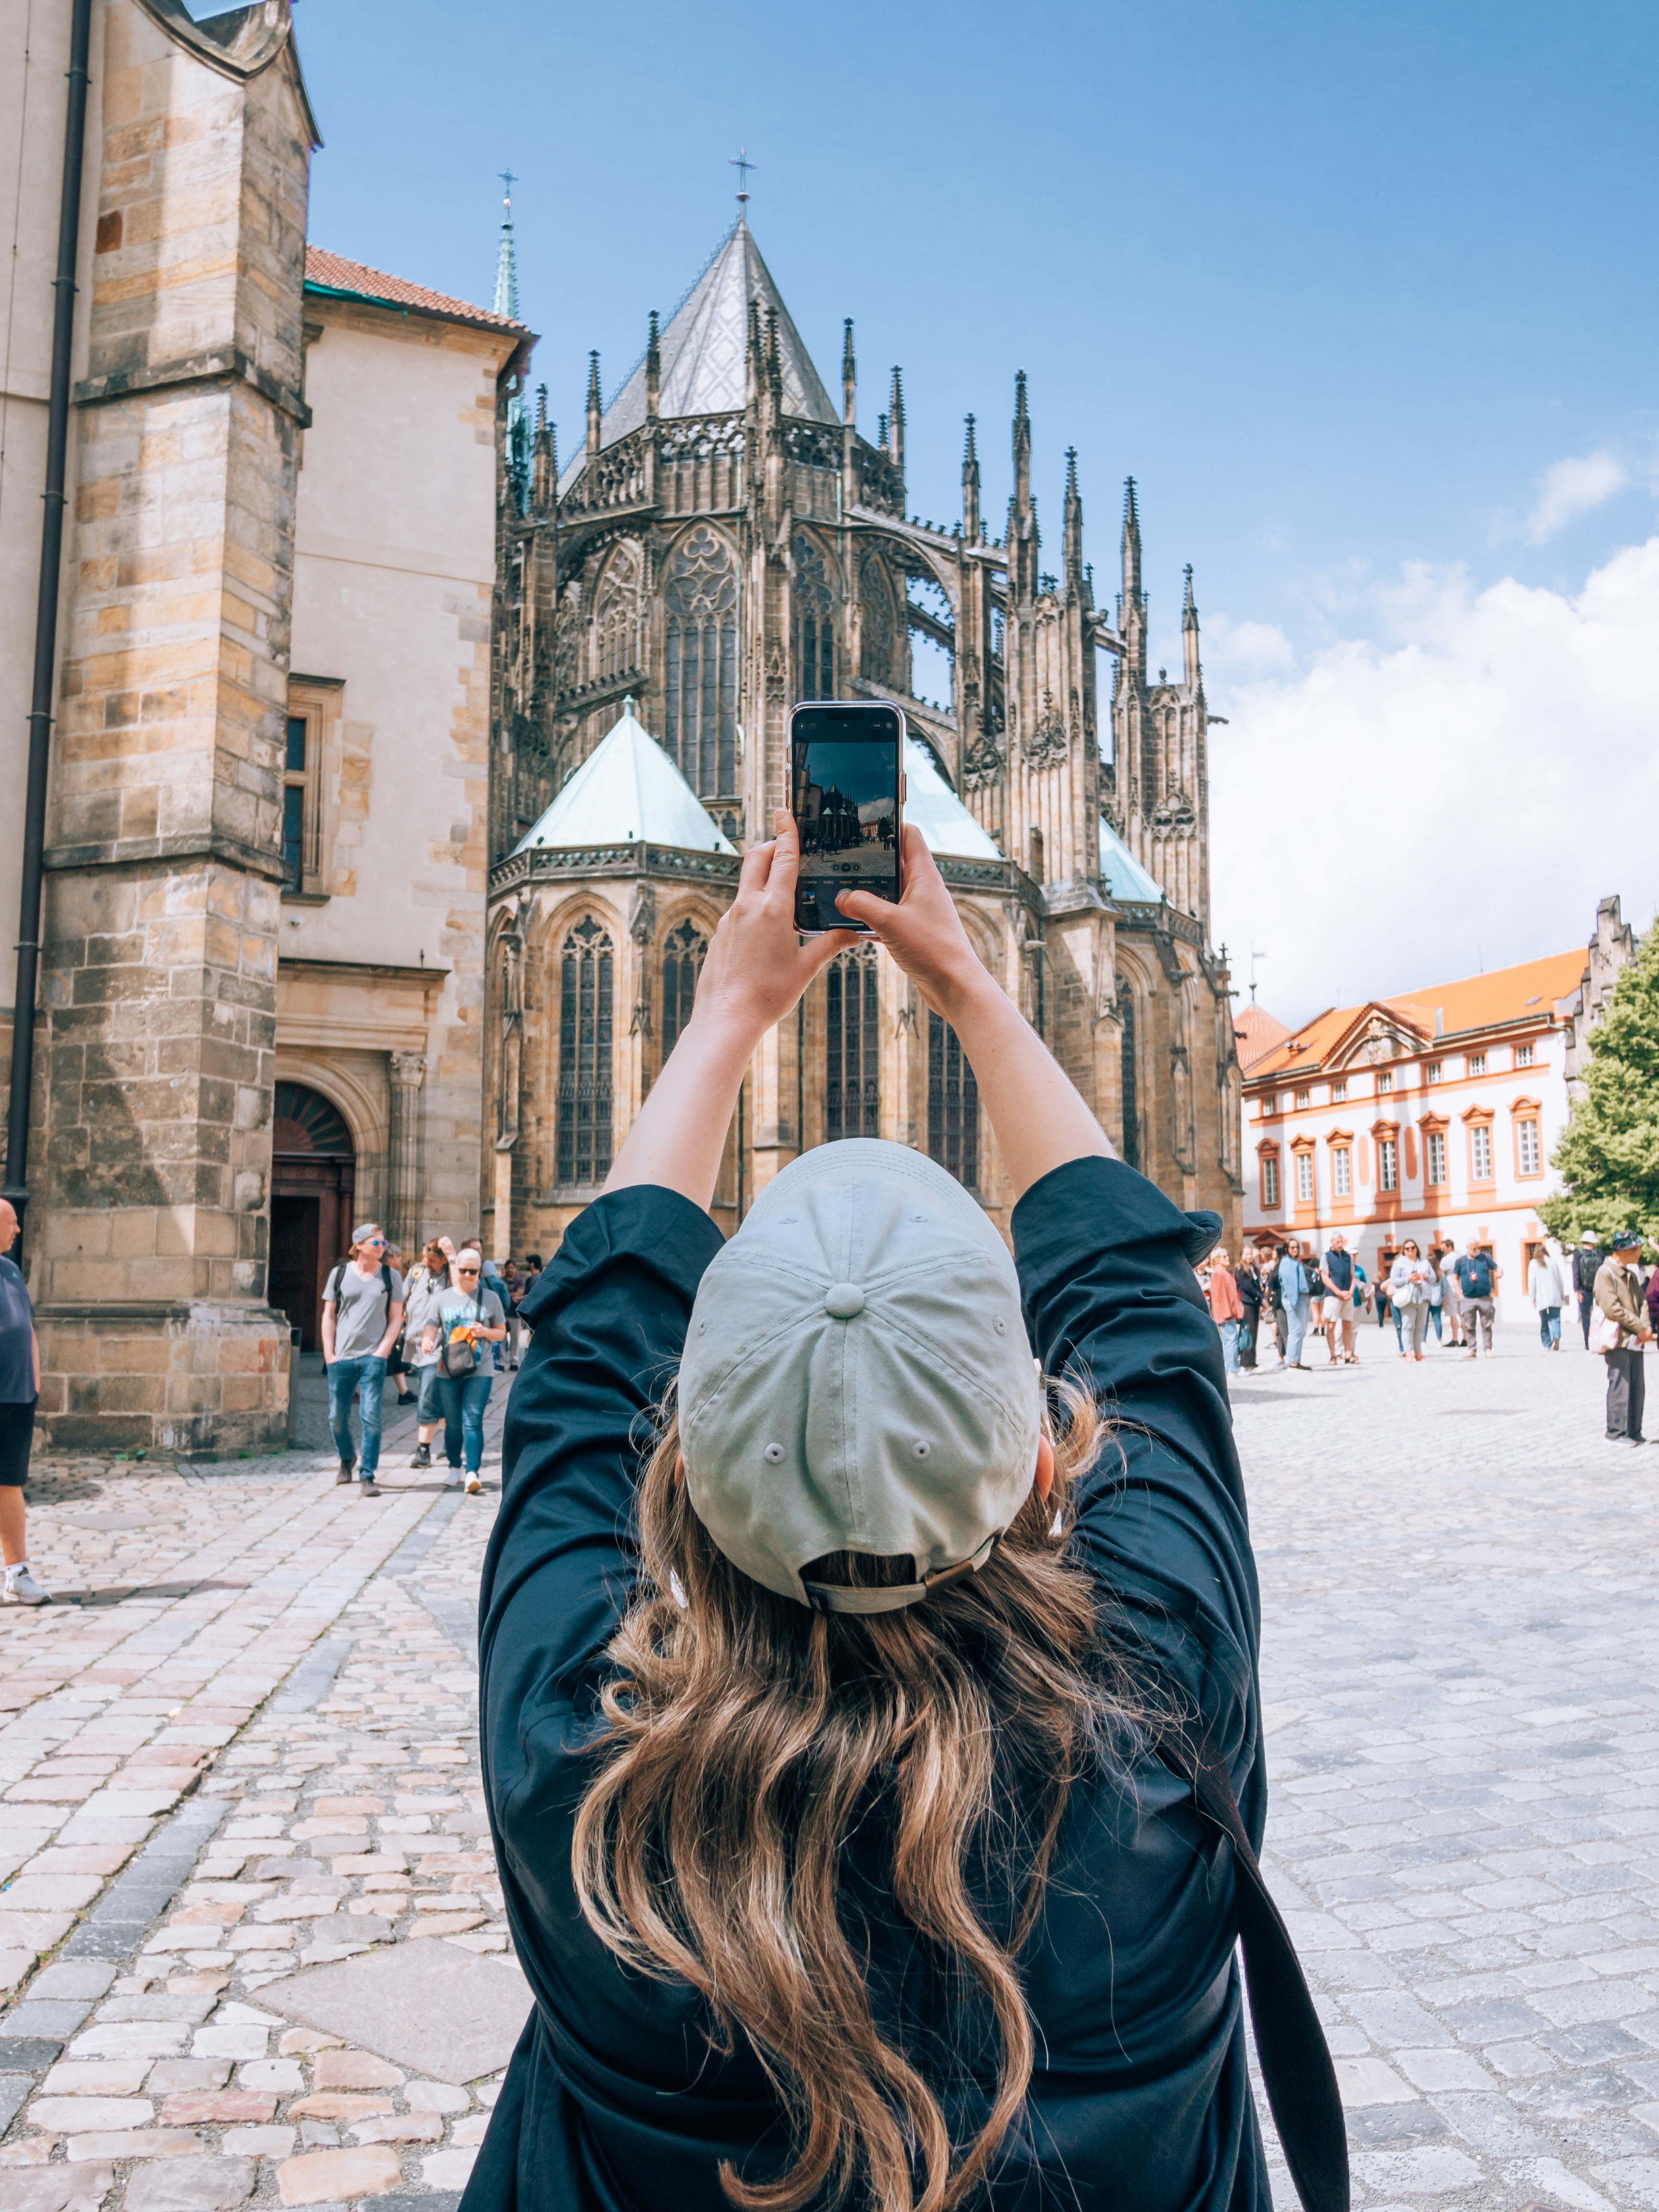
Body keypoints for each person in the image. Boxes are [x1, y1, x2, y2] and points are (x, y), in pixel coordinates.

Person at [465, 811, 1306, 2212]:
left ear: (679, 1474)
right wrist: (975, 986)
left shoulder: (595, 1797)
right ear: (1047, 1465)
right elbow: (1145, 1316)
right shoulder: (1154, 1723)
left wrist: (726, 1006)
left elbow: (579, 1360)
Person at [321, 1224, 405, 1496]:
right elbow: (329, 1315)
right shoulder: (340, 1274)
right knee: (337, 1417)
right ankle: (347, 1458)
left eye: (384, 1243)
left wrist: (383, 1350)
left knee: (370, 1415)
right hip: (342, 1357)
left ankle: (368, 1475)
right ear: (360, 1246)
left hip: (373, 1358)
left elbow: (396, 1319)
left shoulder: (391, 1277)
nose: (383, 1247)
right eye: (377, 1243)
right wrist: (329, 1353)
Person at [422, 1248, 507, 1495]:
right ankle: (454, 1467)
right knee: (452, 1424)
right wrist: (427, 1341)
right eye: (463, 1270)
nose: (468, 1275)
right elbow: (430, 1327)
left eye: (473, 1271)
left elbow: (501, 1332)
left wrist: (485, 1332)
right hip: (447, 1370)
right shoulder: (442, 1299)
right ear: (456, 1269)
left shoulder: (490, 1298)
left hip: (480, 1369)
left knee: (473, 1420)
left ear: (480, 1272)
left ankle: (473, 1472)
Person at [0, 1200, 48, 1606]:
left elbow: (26, 1325)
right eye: (12, 1223)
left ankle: (17, 1573)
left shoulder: (11, 1270)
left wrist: (34, 1380)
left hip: (17, 1396)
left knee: (9, 1485)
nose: (17, 1230)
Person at [1594, 1231, 1652, 1445]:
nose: (1640, 1252)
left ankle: (1634, 1431)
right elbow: (1612, 1308)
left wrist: (1644, 1327)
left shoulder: (1629, 1273)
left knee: (1637, 1387)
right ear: (1625, 1250)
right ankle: (1616, 1432)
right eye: (1637, 1248)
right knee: (1621, 1385)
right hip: (1619, 1338)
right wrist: (1639, 1327)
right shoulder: (1605, 1273)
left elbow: (1642, 1301)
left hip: (1635, 1338)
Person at [402, 1239, 454, 1471]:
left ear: (443, 1259)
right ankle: (454, 1438)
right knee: (436, 1397)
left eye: (432, 1259)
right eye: (425, 1257)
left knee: (426, 1394)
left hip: (440, 1347)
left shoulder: (452, 1276)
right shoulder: (416, 1272)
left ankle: (423, 1450)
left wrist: (452, 1253)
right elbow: (401, 1300)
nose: (427, 1262)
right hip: (415, 1346)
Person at [384, 1243, 420, 1407]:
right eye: (398, 1256)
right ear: (390, 1257)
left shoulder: (393, 1275)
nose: (400, 1259)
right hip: (385, 1322)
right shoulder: (388, 1274)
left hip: (391, 1322)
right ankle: (360, 1393)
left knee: (396, 1359)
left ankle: (404, 1392)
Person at [1454, 1239, 1502, 1358]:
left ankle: (1488, 1349)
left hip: (1484, 1297)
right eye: (1474, 1248)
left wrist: (1500, 1273)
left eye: (1478, 1248)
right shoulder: (1460, 1261)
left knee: (1487, 1325)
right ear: (1468, 1248)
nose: (1477, 1250)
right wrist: (1460, 1295)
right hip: (1468, 1298)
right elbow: (1455, 1278)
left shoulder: (1486, 1258)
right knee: (1469, 1326)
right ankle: (1472, 1350)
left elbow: (1498, 1268)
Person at [1388, 1239, 1435, 1361]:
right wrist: (1408, 1279)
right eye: (1407, 1248)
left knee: (1420, 1326)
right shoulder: (1399, 1263)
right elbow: (1394, 1280)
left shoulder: (1424, 1262)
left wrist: (1427, 1276)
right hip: (1408, 1298)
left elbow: (1434, 1278)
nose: (1410, 1250)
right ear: (1404, 1250)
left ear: (1417, 1248)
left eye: (1413, 1248)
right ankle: (1408, 1352)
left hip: (1423, 1298)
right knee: (1408, 1326)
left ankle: (1418, 1352)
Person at [1205, 1245, 1244, 1374]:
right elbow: (1220, 1297)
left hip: (1230, 1312)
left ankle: (1231, 1368)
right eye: (1224, 1257)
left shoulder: (1222, 1272)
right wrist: (1227, 1314)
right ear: (1217, 1259)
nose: (1228, 1258)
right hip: (1226, 1313)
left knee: (1230, 1341)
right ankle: (1232, 1369)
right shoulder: (1218, 1273)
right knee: (1231, 1341)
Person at [1320, 1233, 1357, 1366]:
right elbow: (1325, 1277)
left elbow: (1353, 1276)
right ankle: (1333, 1355)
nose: (1340, 1245)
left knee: (1347, 1325)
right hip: (1333, 1296)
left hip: (1348, 1295)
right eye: (1337, 1242)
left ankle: (1348, 1354)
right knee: (1331, 1325)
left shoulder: (1348, 1257)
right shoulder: (1326, 1257)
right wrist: (1338, 1292)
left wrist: (1351, 1291)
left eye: (1342, 1242)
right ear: (1332, 1242)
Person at [1277, 1236, 1312, 1369]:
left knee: (1301, 1331)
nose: (1295, 1250)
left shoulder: (1295, 1262)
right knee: (1296, 1331)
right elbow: (1290, 1285)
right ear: (1287, 1249)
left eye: (1297, 1247)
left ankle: (1296, 1360)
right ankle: (1293, 1362)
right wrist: (1294, 1302)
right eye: (1292, 1247)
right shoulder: (1287, 1262)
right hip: (1295, 1300)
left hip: (1301, 1299)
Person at [1527, 1243, 1568, 1353]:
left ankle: (1546, 1344)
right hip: (1555, 1296)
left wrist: (1533, 1297)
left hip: (1541, 1297)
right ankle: (1556, 1335)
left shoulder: (1533, 1264)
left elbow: (1532, 1283)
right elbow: (1560, 1280)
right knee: (1555, 1318)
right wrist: (1562, 1293)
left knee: (1544, 1321)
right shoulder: (1553, 1262)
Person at [1574, 1232, 1607, 1350]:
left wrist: (1577, 1290)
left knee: (1586, 1317)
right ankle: (1601, 1342)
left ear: (1583, 1242)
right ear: (1594, 1242)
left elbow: (1576, 1273)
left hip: (1584, 1290)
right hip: (1599, 1289)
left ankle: (1588, 1345)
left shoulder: (1578, 1254)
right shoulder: (1600, 1254)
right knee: (1602, 1316)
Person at [1234, 1248, 1263, 1370]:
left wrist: (1261, 1298)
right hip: (1247, 1303)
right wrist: (1262, 1299)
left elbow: (1258, 1284)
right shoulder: (1240, 1269)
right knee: (1248, 1333)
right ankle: (1246, 1362)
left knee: (1254, 1332)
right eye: (1246, 1254)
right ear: (1241, 1255)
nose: (1249, 1257)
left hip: (1254, 1303)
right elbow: (1247, 1287)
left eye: (1250, 1254)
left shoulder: (1253, 1268)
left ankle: (1253, 1361)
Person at [1439, 1241, 1465, 1348]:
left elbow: (1440, 1272)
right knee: (1463, 1314)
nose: (1442, 1250)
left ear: (1450, 1247)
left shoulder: (1447, 1259)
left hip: (1451, 1288)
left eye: (1444, 1248)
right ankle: (1466, 1339)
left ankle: (1455, 1339)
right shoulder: (1462, 1256)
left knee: (1453, 1315)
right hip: (1463, 1287)